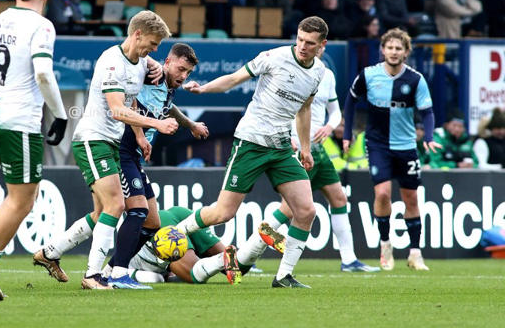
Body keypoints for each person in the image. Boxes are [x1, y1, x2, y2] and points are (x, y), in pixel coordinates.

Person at [33, 43, 206, 285]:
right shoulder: (151, 76)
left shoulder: (168, 87)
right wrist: (139, 134)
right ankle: (115, 272)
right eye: (181, 69)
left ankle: (52, 253)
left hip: (133, 155)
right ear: (167, 62)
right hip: (121, 150)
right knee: (135, 211)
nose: (183, 76)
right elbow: (129, 103)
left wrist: (191, 125)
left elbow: (168, 108)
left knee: (146, 221)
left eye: (188, 72)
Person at [176, 16, 330, 289]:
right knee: (223, 213)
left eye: (310, 43)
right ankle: (176, 232)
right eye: (300, 40)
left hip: (281, 148)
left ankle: (283, 277)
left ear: (322, 45)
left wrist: (305, 150)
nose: (303, 47)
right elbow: (235, 79)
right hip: (251, 142)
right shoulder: (275, 57)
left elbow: (304, 110)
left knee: (306, 210)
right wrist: (204, 89)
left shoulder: (318, 72)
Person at [0, 0, 70, 307]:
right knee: (23, 200)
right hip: (21, 119)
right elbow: (43, 73)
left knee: (11, 198)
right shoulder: (42, 26)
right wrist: (60, 116)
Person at [237, 45, 379, 273]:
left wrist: (330, 126)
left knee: (339, 198)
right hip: (297, 146)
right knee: (290, 209)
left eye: (317, 43)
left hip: (317, 148)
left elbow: (335, 111)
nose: (311, 47)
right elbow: (283, 109)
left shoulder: (326, 75)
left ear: (322, 46)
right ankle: (248, 255)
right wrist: (289, 138)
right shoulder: (289, 70)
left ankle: (349, 260)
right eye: (306, 42)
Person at [62, 11, 176, 289]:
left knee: (104, 211)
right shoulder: (112, 62)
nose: (155, 49)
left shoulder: (140, 61)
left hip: (112, 143)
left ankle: (52, 253)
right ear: (137, 34)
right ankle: (94, 275)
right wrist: (156, 125)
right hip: (92, 138)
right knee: (116, 206)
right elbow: (117, 109)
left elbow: (131, 101)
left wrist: (139, 135)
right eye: (153, 42)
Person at [343, 28, 441, 271]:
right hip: (377, 144)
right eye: (390, 47)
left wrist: (428, 136)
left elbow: (427, 112)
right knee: (383, 194)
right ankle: (385, 245)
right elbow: (350, 102)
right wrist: (347, 134)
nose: (394, 52)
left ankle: (415, 253)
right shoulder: (368, 75)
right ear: (383, 50)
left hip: (406, 145)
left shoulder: (415, 79)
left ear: (406, 52)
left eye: (399, 48)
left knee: (411, 198)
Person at [113, 206, 241, 285]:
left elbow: (155, 278)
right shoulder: (123, 259)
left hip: (159, 237)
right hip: (171, 215)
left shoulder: (121, 269)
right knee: (239, 268)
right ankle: (259, 240)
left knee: (193, 274)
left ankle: (222, 259)